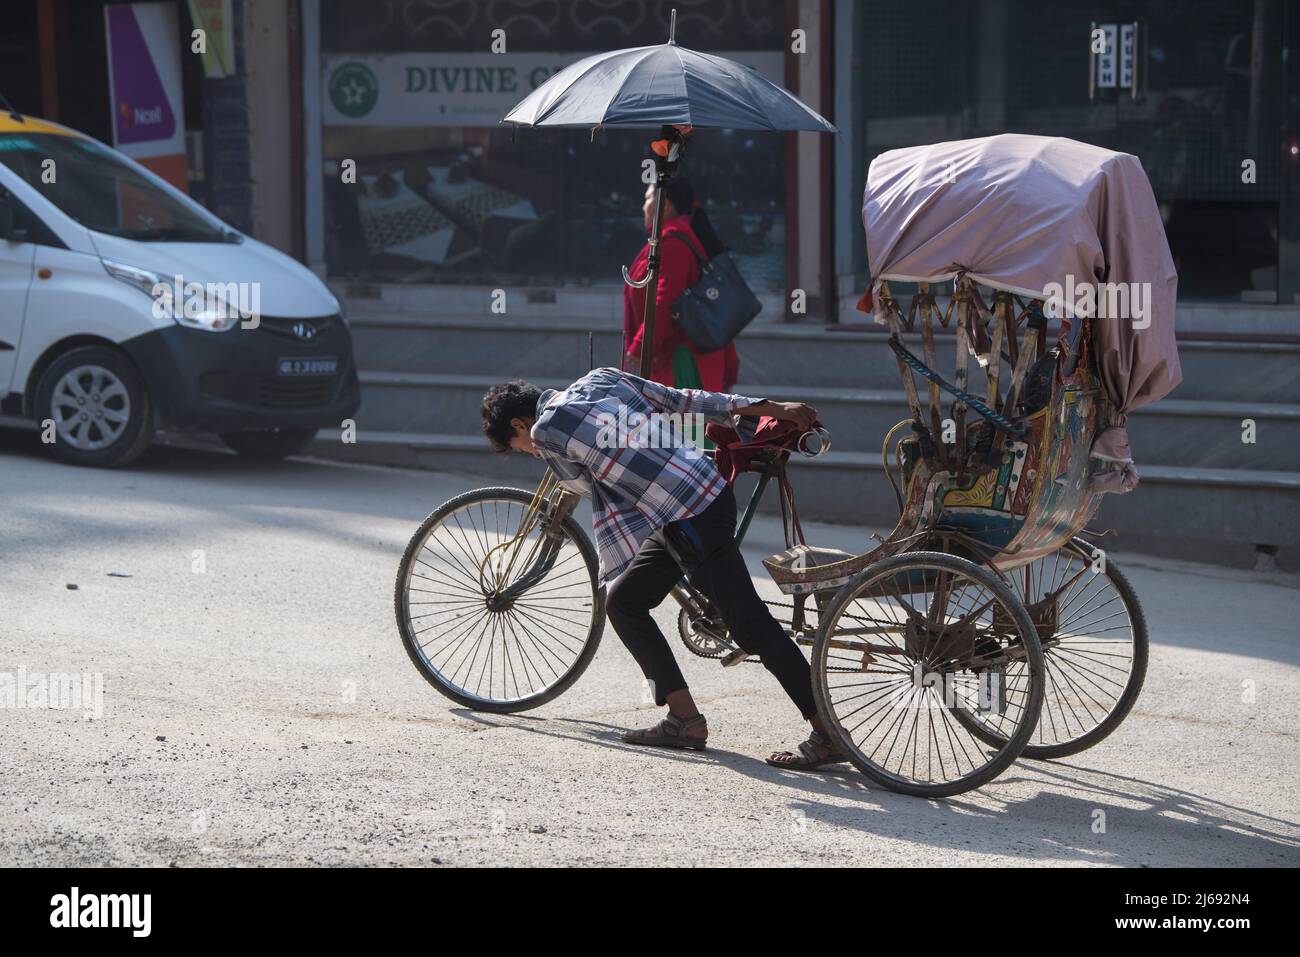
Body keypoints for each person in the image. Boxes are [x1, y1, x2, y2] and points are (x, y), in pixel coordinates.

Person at [479, 368, 849, 771]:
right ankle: (684, 720)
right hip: (703, 496)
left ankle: (826, 732)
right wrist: (774, 406)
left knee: (750, 625)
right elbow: (683, 400)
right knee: (624, 603)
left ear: (520, 424)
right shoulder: (600, 379)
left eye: (518, 445)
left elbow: (582, 485)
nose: (528, 451)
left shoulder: (544, 432)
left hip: (689, 517)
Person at [623, 177, 740, 394]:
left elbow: (663, 303)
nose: (643, 206)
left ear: (665, 205)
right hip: (677, 360)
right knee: (681, 428)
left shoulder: (674, 244)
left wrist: (638, 349)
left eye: (647, 198)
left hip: (680, 366)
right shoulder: (674, 239)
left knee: (685, 429)